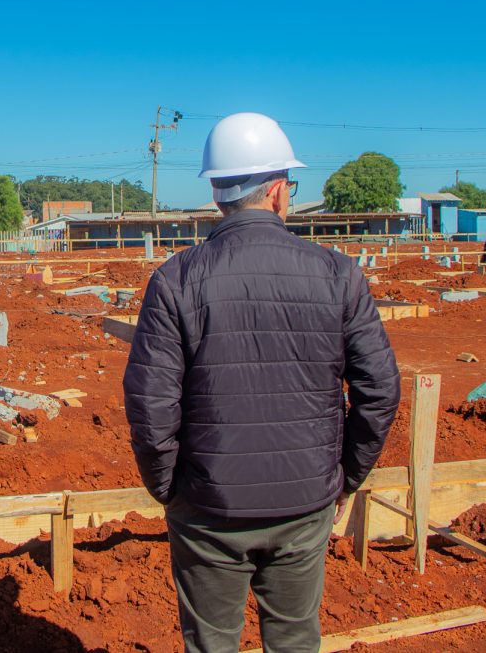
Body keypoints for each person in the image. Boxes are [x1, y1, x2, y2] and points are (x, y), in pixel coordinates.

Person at [122, 112, 400, 653]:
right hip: (304, 502)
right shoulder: (339, 275)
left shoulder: (176, 279)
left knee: (211, 643)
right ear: (276, 191)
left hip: (207, 507)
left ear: (218, 192)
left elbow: (150, 405)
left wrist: (169, 489)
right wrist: (344, 478)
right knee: (295, 640)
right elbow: (380, 391)